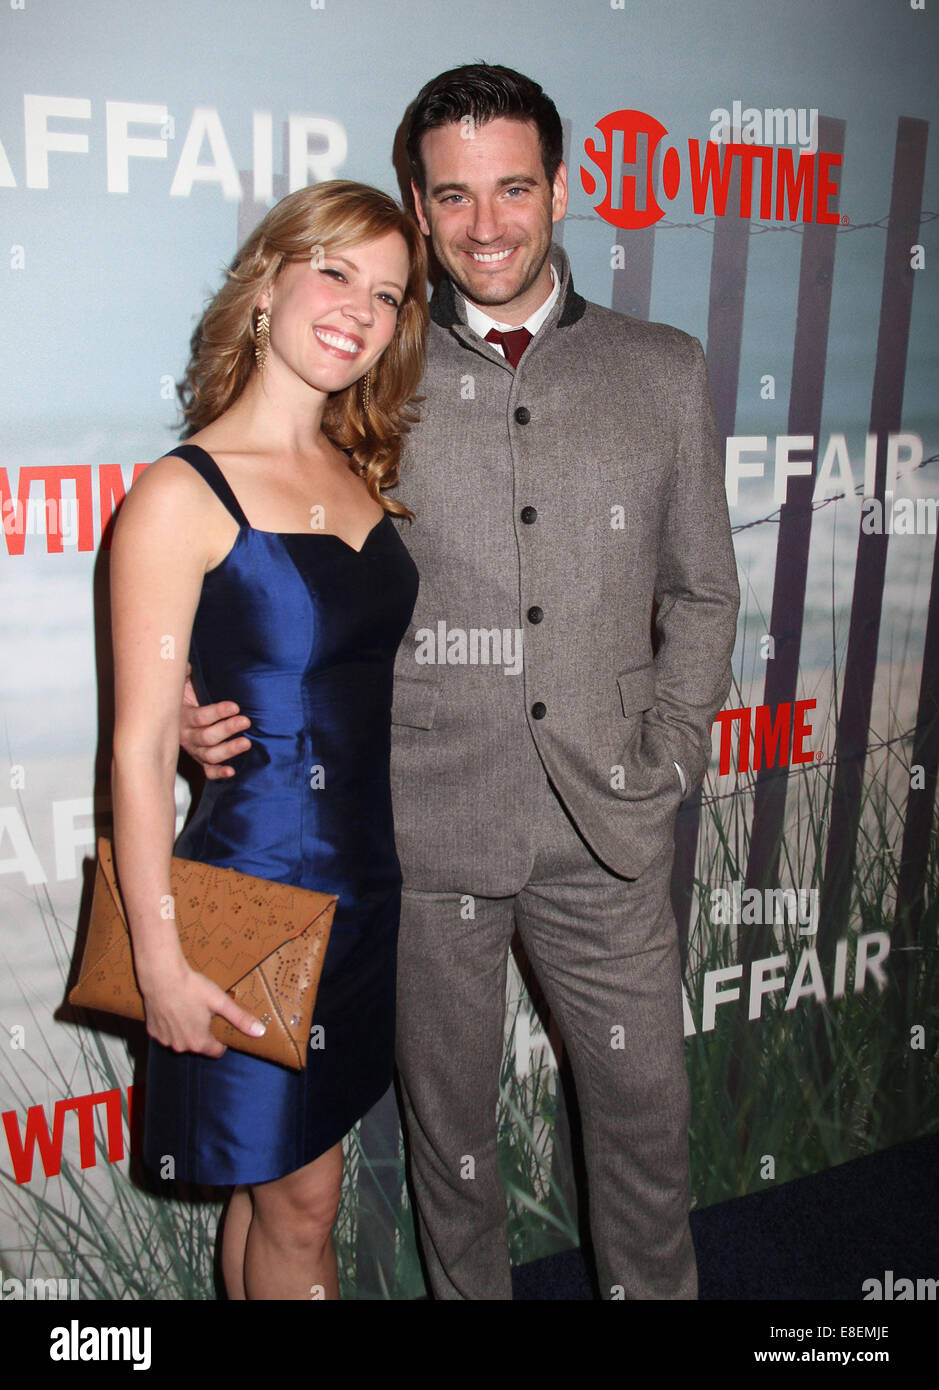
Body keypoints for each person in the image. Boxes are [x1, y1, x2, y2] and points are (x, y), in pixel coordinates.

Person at [182, 64, 739, 1300]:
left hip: (612, 833)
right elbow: (236, 517)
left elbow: (703, 591)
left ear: (562, 188)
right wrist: (182, 673)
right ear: (418, 209)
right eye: (454, 195)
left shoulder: (661, 366)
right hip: (424, 834)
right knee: (454, 1148)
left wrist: (671, 758)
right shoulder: (364, 368)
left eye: (513, 188)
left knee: (648, 1129)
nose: (487, 224)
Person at [110, 179, 428, 1300]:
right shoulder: (178, 493)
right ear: (268, 283)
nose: (360, 307)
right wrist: (159, 960)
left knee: (280, 1189)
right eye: (336, 270)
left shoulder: (361, 469)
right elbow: (143, 750)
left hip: (364, 893)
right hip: (250, 895)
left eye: (388, 294)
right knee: (300, 1199)